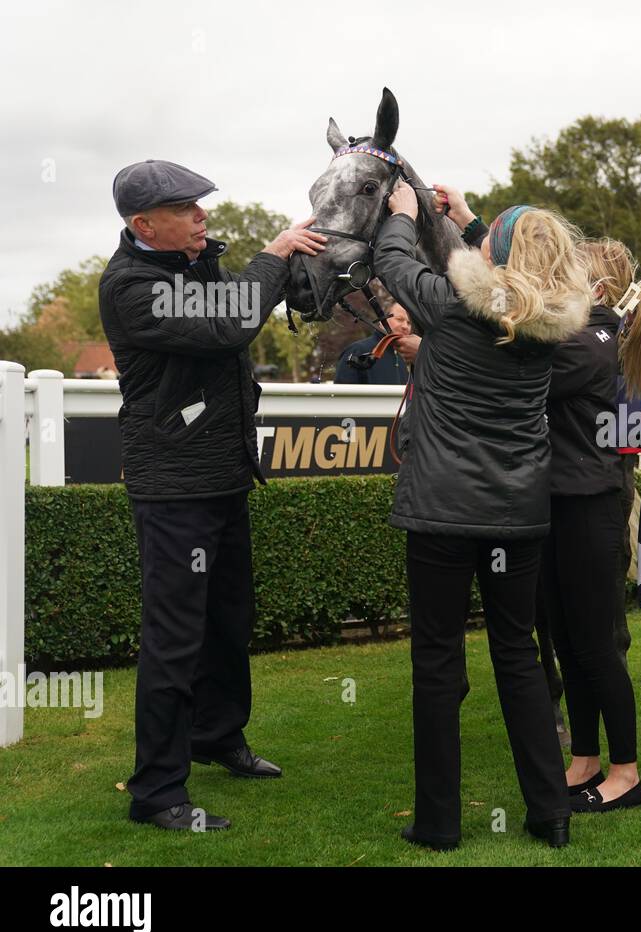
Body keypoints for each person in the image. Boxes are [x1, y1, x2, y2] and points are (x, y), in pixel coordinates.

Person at [99, 159, 325, 831]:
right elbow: (229, 322)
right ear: (144, 224)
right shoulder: (131, 286)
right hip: (173, 487)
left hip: (223, 475)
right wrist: (276, 253)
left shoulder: (195, 265)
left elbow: (244, 313)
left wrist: (296, 270)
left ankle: (217, 737)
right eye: (186, 207)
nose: (202, 214)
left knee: (227, 622)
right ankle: (157, 791)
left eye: (201, 203)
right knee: (175, 639)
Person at [375, 180, 591, 850]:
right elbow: (503, 282)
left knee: (437, 662)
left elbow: (391, 264)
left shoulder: (448, 305)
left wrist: (404, 216)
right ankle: (549, 811)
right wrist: (471, 221)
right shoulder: (548, 321)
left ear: (498, 252)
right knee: (519, 656)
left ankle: (438, 823)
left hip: (442, 510)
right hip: (517, 512)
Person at [540, 238, 641, 814]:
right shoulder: (583, 335)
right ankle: (585, 759)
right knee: (567, 639)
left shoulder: (591, 340)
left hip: (591, 504)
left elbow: (523, 368)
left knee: (594, 644)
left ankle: (626, 772)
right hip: (562, 502)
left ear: (598, 289)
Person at [583, 239, 641, 671]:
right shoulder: (623, 335)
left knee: (601, 613)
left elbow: (628, 430)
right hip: (612, 480)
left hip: (599, 485)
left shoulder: (615, 340)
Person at [333, 286, 419, 385]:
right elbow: (342, 396)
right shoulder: (357, 351)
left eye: (409, 323)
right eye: (399, 319)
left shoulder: (406, 357)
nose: (405, 326)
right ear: (382, 319)